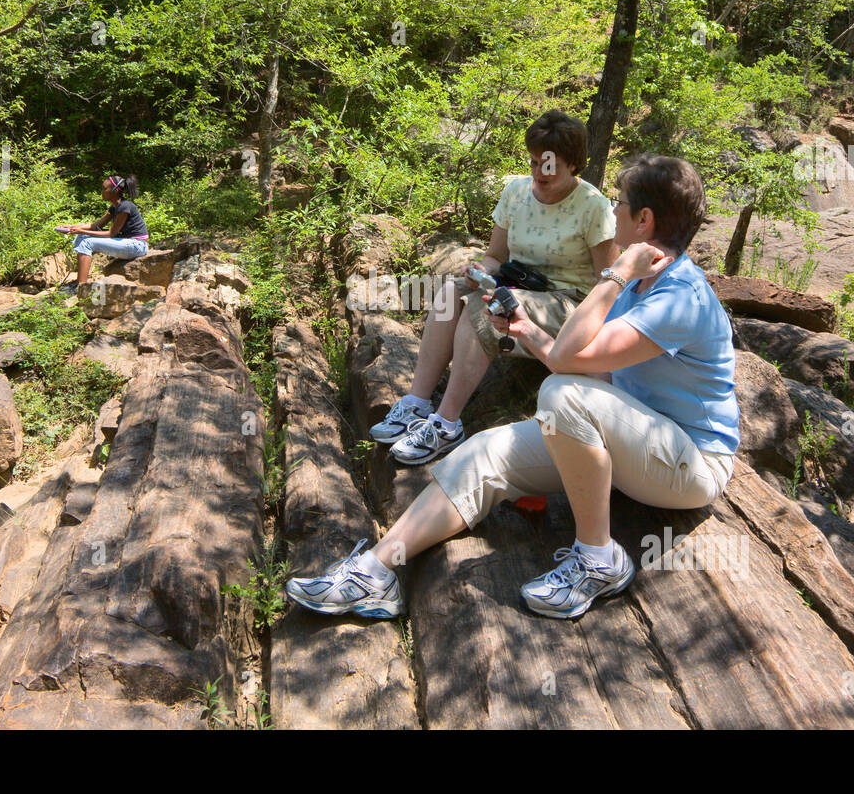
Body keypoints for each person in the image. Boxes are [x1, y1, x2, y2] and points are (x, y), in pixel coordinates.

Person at [286, 154, 740, 620]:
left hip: (690, 465)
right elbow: (594, 369)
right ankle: (374, 572)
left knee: (561, 396)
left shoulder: (678, 295)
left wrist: (616, 272)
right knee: (487, 451)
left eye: (619, 202)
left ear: (644, 220)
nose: (612, 207)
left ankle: (599, 559)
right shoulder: (639, 283)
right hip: (631, 444)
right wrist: (526, 331)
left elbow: (568, 367)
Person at [371, 109, 619, 465]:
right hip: (515, 284)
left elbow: (608, 282)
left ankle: (447, 424)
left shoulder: (594, 207)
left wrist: (595, 349)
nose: (539, 173)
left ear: (574, 164)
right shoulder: (517, 193)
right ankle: (417, 403)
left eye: (549, 165)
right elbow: (494, 257)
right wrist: (478, 271)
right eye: (534, 162)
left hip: (568, 304)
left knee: (488, 309)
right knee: (451, 292)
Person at [55, 174, 150, 285]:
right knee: (81, 236)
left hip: (137, 245)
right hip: (128, 243)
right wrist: (70, 226)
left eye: (104, 189)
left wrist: (82, 230)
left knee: (86, 242)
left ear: (115, 190)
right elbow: (96, 225)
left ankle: (81, 286)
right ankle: (79, 281)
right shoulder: (114, 207)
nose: (102, 191)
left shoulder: (125, 207)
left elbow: (111, 233)